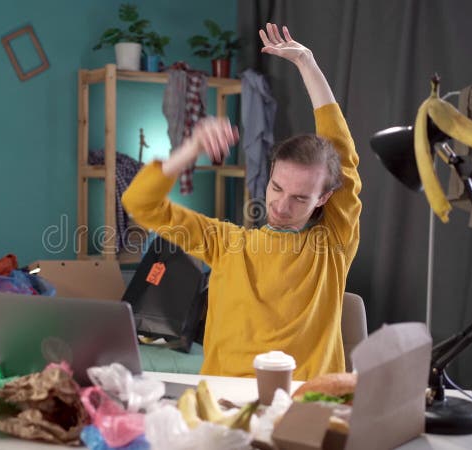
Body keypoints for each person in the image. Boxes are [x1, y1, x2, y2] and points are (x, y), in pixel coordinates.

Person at [122, 23, 361, 380]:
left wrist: (307, 64)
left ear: (324, 198)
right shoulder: (227, 243)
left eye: (299, 198)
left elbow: (341, 156)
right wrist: (190, 149)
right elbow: (141, 204)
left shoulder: (334, 244)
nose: (281, 206)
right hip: (227, 406)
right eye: (277, 188)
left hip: (307, 406)